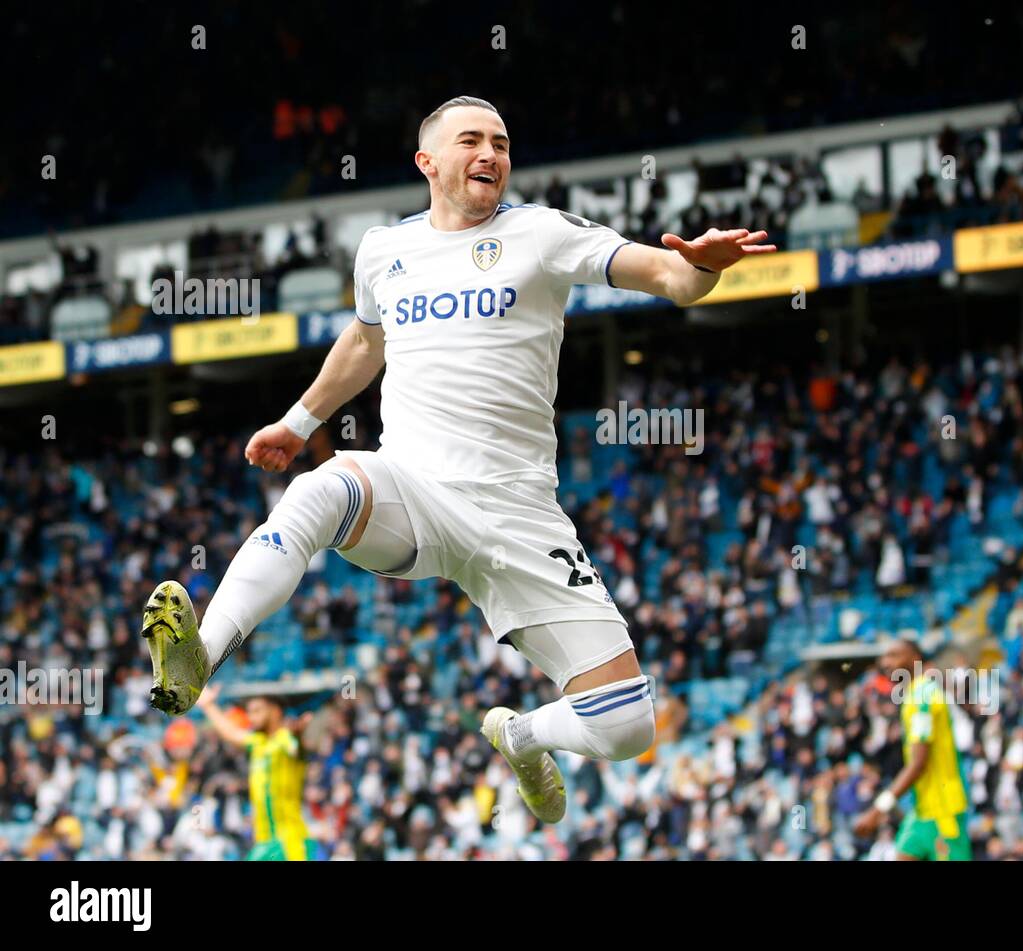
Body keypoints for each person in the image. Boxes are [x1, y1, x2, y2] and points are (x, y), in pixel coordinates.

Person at [140, 95, 776, 825]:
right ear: (427, 162)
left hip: (519, 512)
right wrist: (298, 420)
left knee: (629, 725)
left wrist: (703, 267)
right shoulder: (383, 250)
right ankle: (202, 657)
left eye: (501, 143)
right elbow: (365, 341)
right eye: (471, 140)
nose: (490, 154)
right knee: (322, 488)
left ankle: (520, 733)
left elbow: (668, 275)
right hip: (410, 486)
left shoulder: (540, 233)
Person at [852, 637, 971, 860]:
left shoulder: (923, 697)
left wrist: (879, 809)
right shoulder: (915, 695)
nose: (885, 662)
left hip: (944, 810)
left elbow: (918, 763)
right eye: (884, 657)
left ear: (915, 658)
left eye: (894, 655)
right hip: (922, 810)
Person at [196, 685, 316, 861]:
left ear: (275, 711)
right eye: (249, 712)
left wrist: (298, 736)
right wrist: (208, 706)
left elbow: (301, 751)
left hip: (290, 842)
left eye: (257, 710)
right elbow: (230, 733)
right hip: (265, 843)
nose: (251, 717)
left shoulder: (286, 740)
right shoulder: (258, 743)